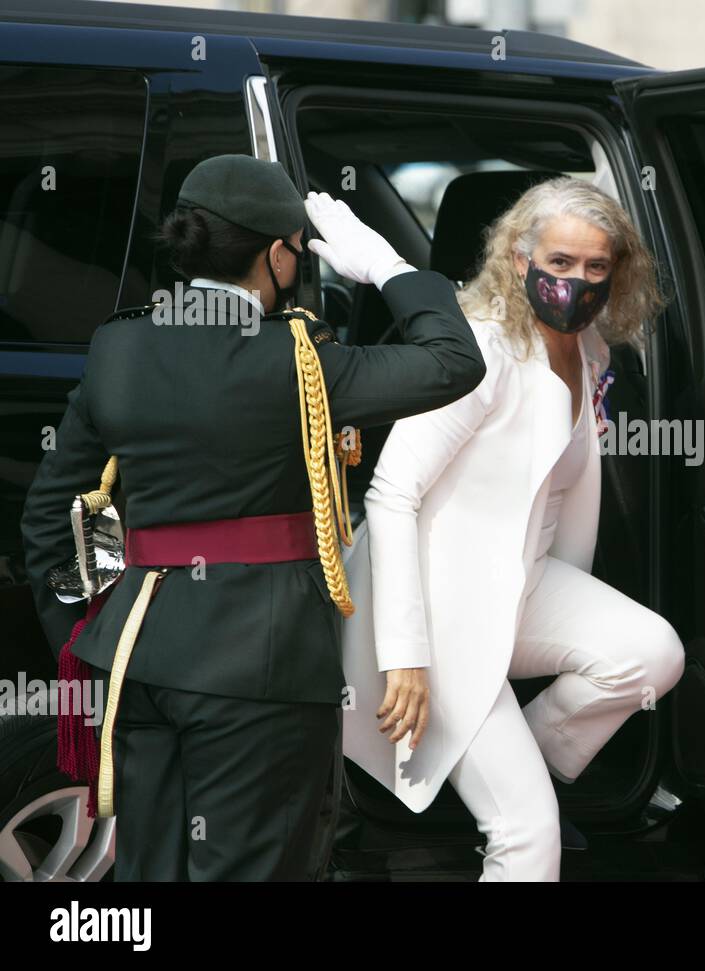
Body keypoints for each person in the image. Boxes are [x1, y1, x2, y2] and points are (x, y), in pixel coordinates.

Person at [20, 154, 486, 880]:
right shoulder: (300, 361)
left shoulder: (119, 345)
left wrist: (86, 637)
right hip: (259, 672)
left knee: (149, 876)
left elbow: (58, 510)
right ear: (276, 252)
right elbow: (455, 360)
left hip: (137, 657)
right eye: (297, 252)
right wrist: (390, 266)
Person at [340, 176, 685, 881]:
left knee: (653, 653)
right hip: (439, 610)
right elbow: (392, 492)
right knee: (528, 837)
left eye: (596, 268)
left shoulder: (589, 350)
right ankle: (513, 787)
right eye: (560, 263)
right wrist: (403, 652)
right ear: (519, 257)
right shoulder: (483, 349)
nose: (577, 283)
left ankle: (524, 755)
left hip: (519, 581)